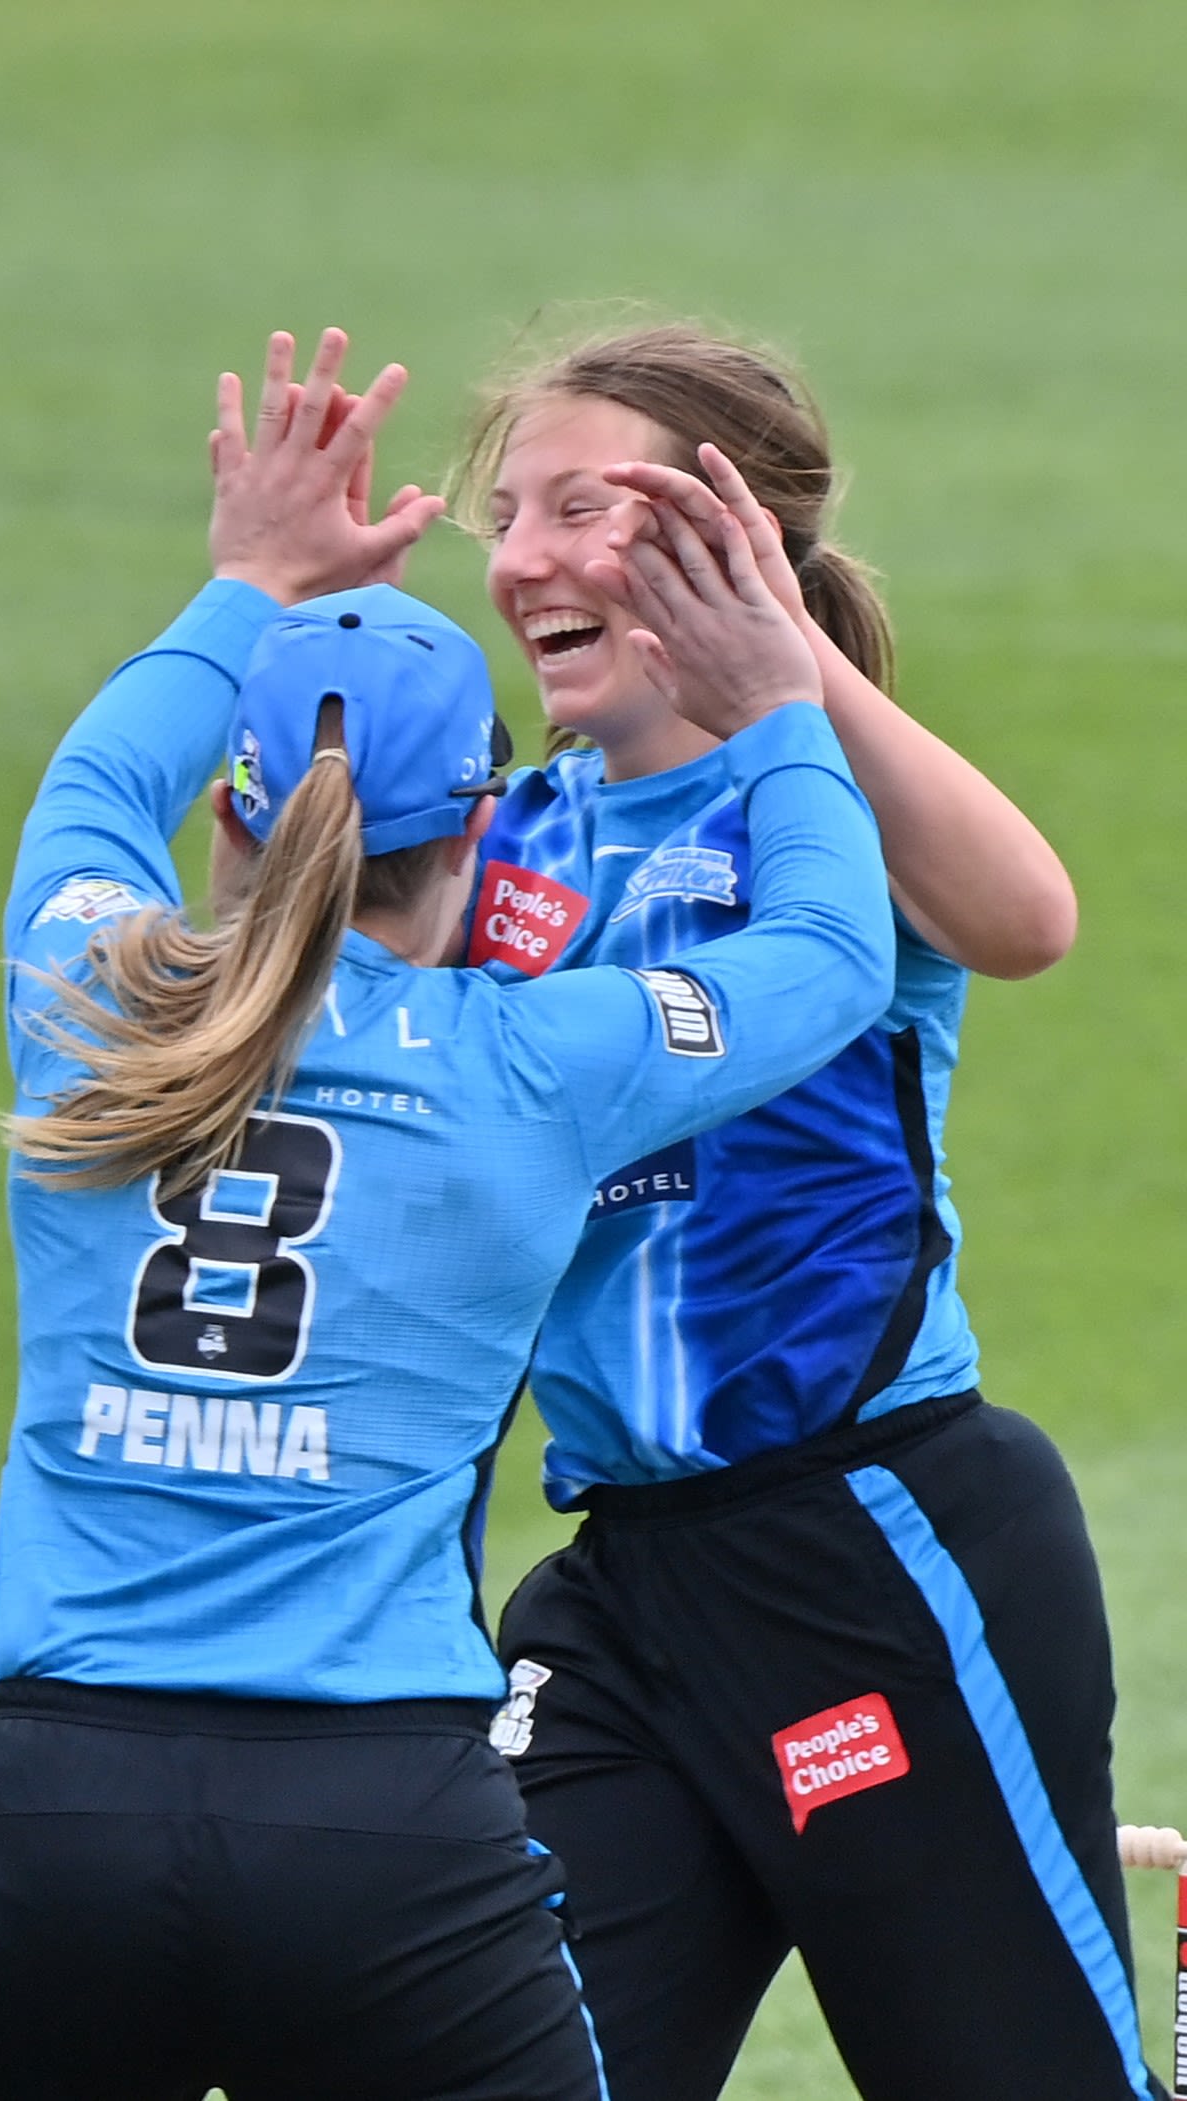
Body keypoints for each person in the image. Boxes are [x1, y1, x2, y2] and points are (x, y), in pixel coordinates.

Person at [0, 326, 898, 2101]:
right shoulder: (534, 1060)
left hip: (54, 1811)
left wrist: (247, 584)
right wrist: (786, 704)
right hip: (385, 1841)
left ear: (239, 801)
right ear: (481, 828)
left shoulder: (87, 991)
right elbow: (824, 958)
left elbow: (92, 792)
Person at [452, 321, 1158, 2101]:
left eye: (581, 507)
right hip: (618, 1591)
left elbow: (1029, 918)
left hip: (880, 1554)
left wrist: (791, 679)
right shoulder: (503, 844)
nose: (524, 555)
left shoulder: (830, 816)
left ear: (735, 538)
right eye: (506, 511)